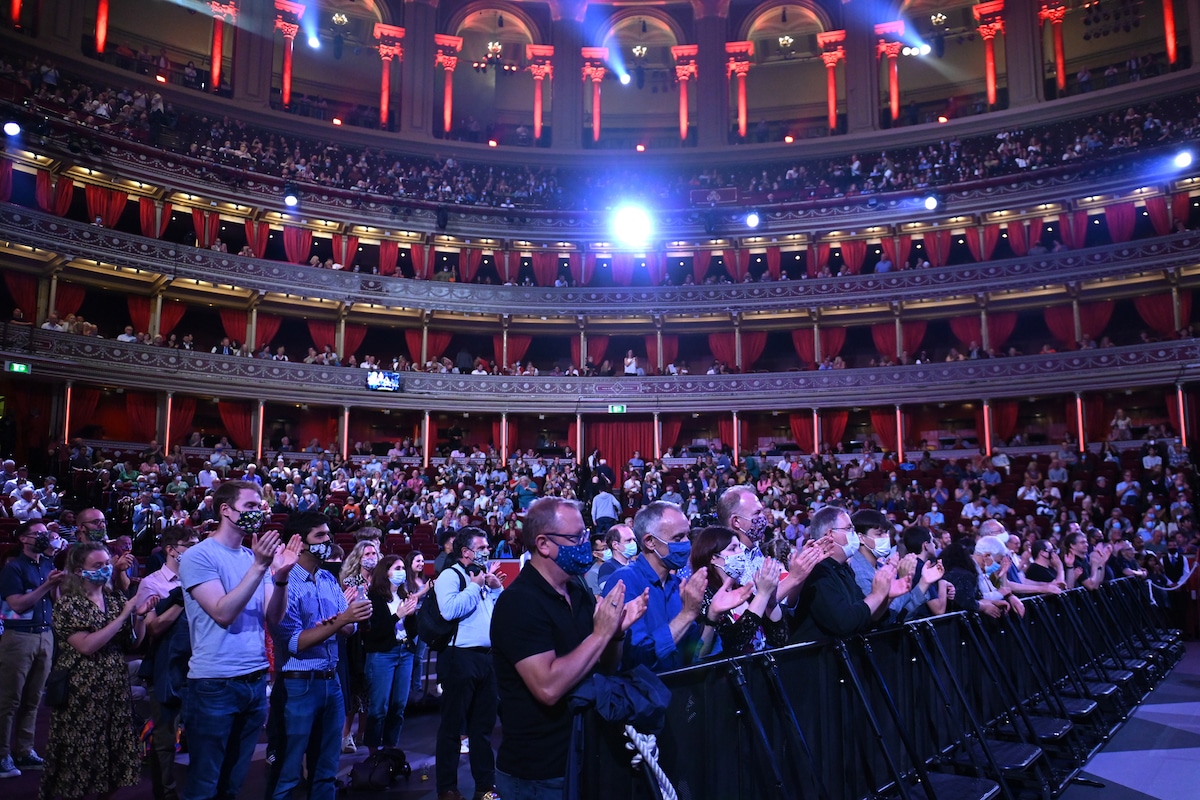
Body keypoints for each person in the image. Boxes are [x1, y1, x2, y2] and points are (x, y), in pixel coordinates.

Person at [490, 497, 648, 797]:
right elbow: (548, 688)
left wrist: (614, 633)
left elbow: (604, 666)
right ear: (544, 544)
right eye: (575, 538)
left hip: (584, 754)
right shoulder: (520, 602)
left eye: (585, 536)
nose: (586, 545)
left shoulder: (578, 589)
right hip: (539, 771)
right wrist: (600, 635)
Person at [178, 480, 302, 800]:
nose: (257, 513)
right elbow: (222, 613)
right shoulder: (198, 556)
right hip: (215, 682)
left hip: (254, 678)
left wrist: (282, 575)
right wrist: (260, 566)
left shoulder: (250, 556)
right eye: (249, 506)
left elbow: (275, 616)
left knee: (233, 784)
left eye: (259, 507)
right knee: (204, 783)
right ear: (225, 510)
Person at [39, 541, 158, 800]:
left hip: (114, 685)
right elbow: (87, 646)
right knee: (80, 758)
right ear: (80, 570)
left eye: (107, 564)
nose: (105, 569)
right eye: (98, 565)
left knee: (116, 756)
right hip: (81, 689)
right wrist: (123, 614)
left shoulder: (114, 598)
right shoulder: (69, 604)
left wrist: (138, 616)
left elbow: (132, 643)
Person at [267, 510, 370, 800]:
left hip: (331, 680)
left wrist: (351, 618)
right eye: (320, 536)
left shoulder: (327, 577)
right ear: (299, 542)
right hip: (299, 683)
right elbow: (294, 642)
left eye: (329, 535)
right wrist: (340, 621)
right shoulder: (283, 581)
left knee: (326, 769)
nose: (328, 541)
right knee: (287, 772)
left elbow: (346, 629)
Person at [609, 501, 752, 671]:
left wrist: (712, 616)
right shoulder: (624, 581)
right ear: (650, 542)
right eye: (678, 538)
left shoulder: (678, 586)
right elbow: (636, 659)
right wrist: (687, 614)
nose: (687, 544)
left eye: (687, 535)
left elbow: (695, 655)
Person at [433, 527, 504, 800]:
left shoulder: (484, 579)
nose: (487, 552)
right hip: (459, 658)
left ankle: (485, 787)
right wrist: (475, 586)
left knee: (482, 729)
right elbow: (449, 610)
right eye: (482, 547)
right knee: (452, 727)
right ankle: (447, 788)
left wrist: (494, 590)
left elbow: (497, 617)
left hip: (487, 659)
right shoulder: (450, 576)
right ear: (466, 552)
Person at [138, 526, 199, 800]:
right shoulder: (152, 583)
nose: (196, 549)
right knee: (164, 736)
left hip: (199, 665)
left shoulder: (203, 578)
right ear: (171, 550)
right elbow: (153, 629)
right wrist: (182, 598)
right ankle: (165, 792)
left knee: (199, 732)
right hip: (165, 667)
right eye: (190, 545)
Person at [789, 507, 910, 644]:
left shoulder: (843, 569)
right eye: (849, 528)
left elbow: (865, 617)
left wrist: (886, 597)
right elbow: (844, 623)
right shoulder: (817, 571)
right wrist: (876, 595)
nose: (854, 534)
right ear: (830, 534)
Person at [0, 520, 64, 779]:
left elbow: (54, 602)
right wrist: (47, 585)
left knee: (34, 698)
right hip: (19, 637)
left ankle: (24, 750)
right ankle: (2, 753)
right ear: (24, 539)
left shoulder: (48, 565)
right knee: (10, 699)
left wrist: (57, 585)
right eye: (38, 534)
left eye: (45, 534)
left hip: (45, 634)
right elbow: (17, 605)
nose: (44, 538)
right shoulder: (12, 568)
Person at [688, 525, 788, 655]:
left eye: (740, 547)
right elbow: (733, 645)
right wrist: (762, 595)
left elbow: (779, 640)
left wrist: (771, 601)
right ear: (713, 557)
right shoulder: (705, 596)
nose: (740, 553)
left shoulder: (744, 589)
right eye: (733, 549)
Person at [362, 555, 418, 752]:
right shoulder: (374, 597)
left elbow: (413, 631)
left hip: (405, 652)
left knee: (398, 706)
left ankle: (390, 749)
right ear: (386, 572)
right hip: (382, 654)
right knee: (379, 708)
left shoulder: (403, 595)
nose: (402, 571)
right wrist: (398, 616)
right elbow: (374, 632)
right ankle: (372, 752)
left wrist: (410, 617)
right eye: (397, 567)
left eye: (403, 567)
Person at [338, 540, 380, 752]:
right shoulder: (350, 581)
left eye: (374, 553)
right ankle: (346, 734)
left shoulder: (381, 580)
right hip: (355, 640)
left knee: (370, 691)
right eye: (367, 554)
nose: (371, 557)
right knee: (355, 688)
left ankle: (364, 732)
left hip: (376, 638)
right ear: (359, 557)